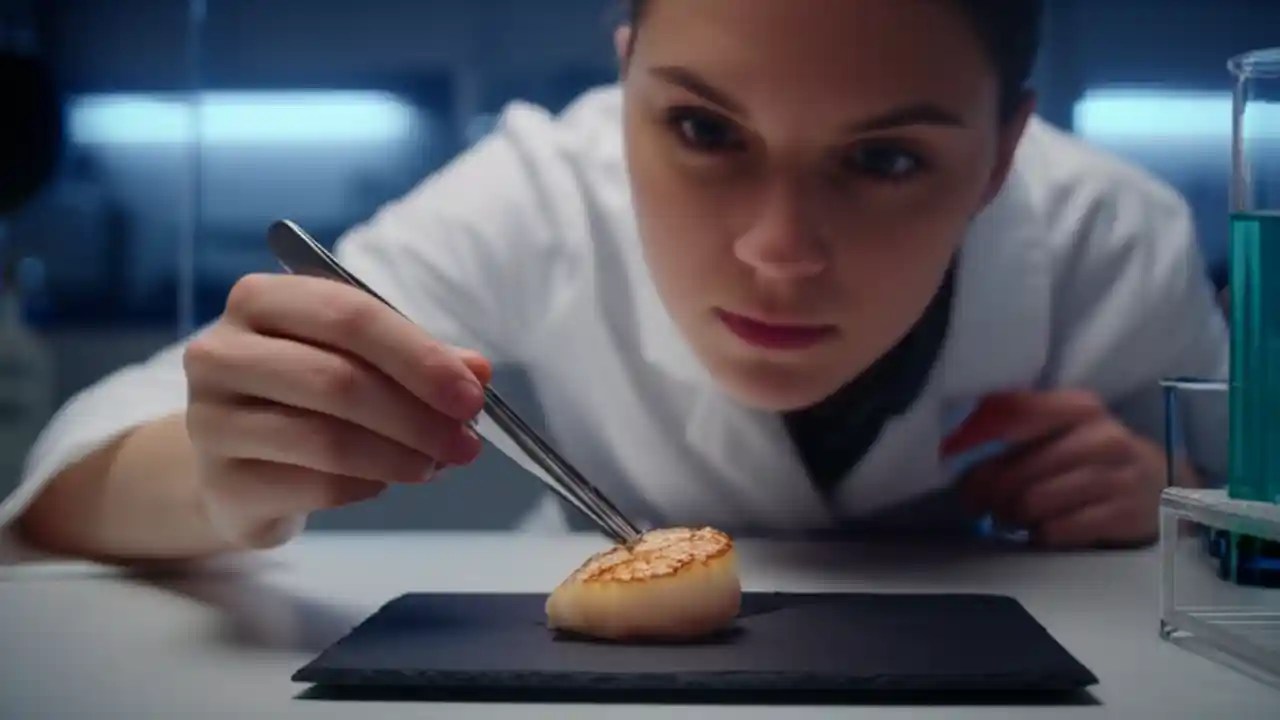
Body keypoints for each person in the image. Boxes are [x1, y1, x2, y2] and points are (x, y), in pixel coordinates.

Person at [2, 0, 1227, 564]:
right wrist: (227, 474)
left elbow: (1250, 517)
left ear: (1003, 152)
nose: (775, 253)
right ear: (628, 79)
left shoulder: (1109, 237)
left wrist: (1174, 498)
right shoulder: (546, 187)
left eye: (887, 157)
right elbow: (68, 487)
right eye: (701, 131)